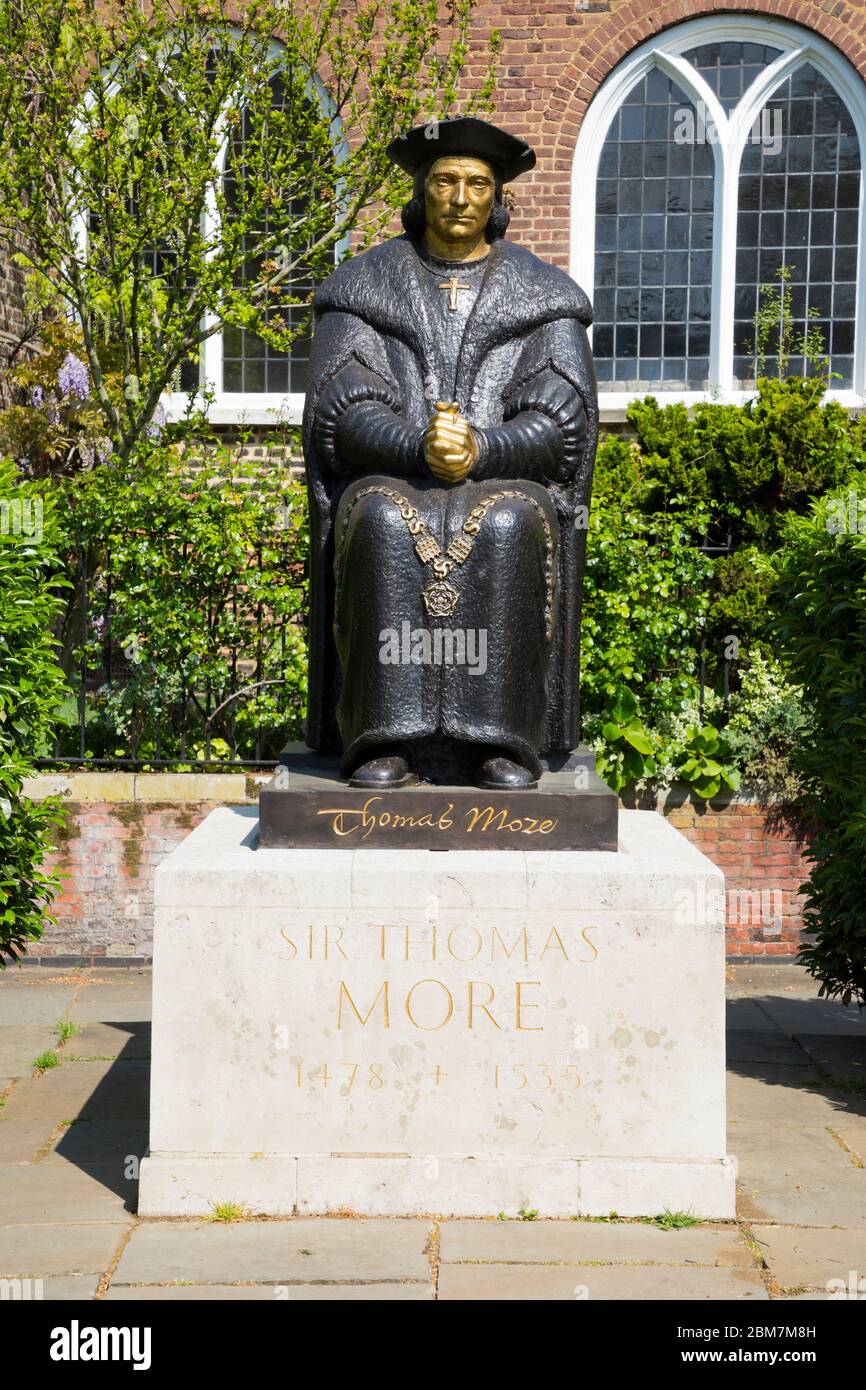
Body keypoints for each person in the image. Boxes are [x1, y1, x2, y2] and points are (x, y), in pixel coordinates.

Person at [302, 116, 598, 789]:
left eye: (476, 184)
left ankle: (499, 739)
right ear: (421, 192)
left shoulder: (544, 297)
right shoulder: (363, 287)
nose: (460, 198)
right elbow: (341, 404)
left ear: (497, 199)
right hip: (393, 472)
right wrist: (416, 444)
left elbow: (563, 417)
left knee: (508, 521)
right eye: (444, 182)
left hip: (503, 475)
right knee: (377, 518)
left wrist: (485, 449)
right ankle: (385, 737)